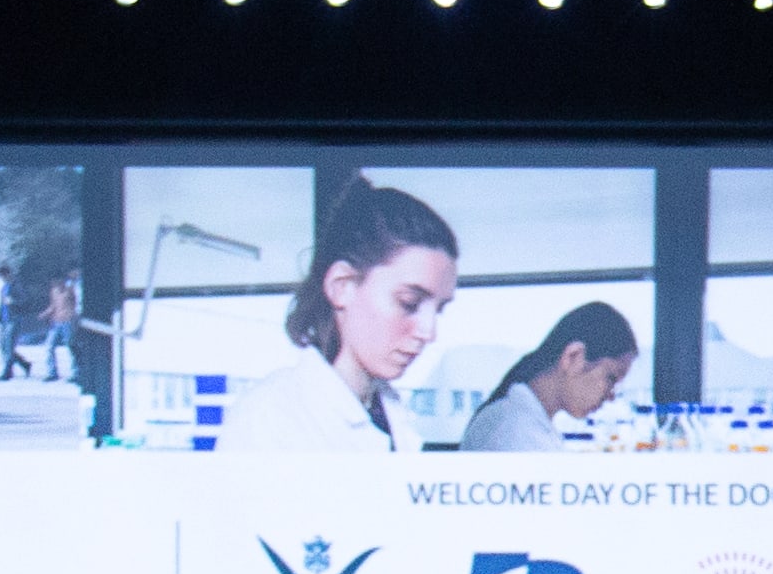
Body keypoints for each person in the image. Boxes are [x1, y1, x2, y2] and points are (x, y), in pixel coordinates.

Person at [244, 174, 457, 449]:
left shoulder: (386, 410)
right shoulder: (269, 416)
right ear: (341, 286)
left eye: (438, 309)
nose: (429, 332)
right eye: (409, 303)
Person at [460, 297, 640, 448]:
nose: (611, 396)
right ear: (573, 357)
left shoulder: (525, 420)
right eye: (611, 378)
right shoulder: (516, 432)